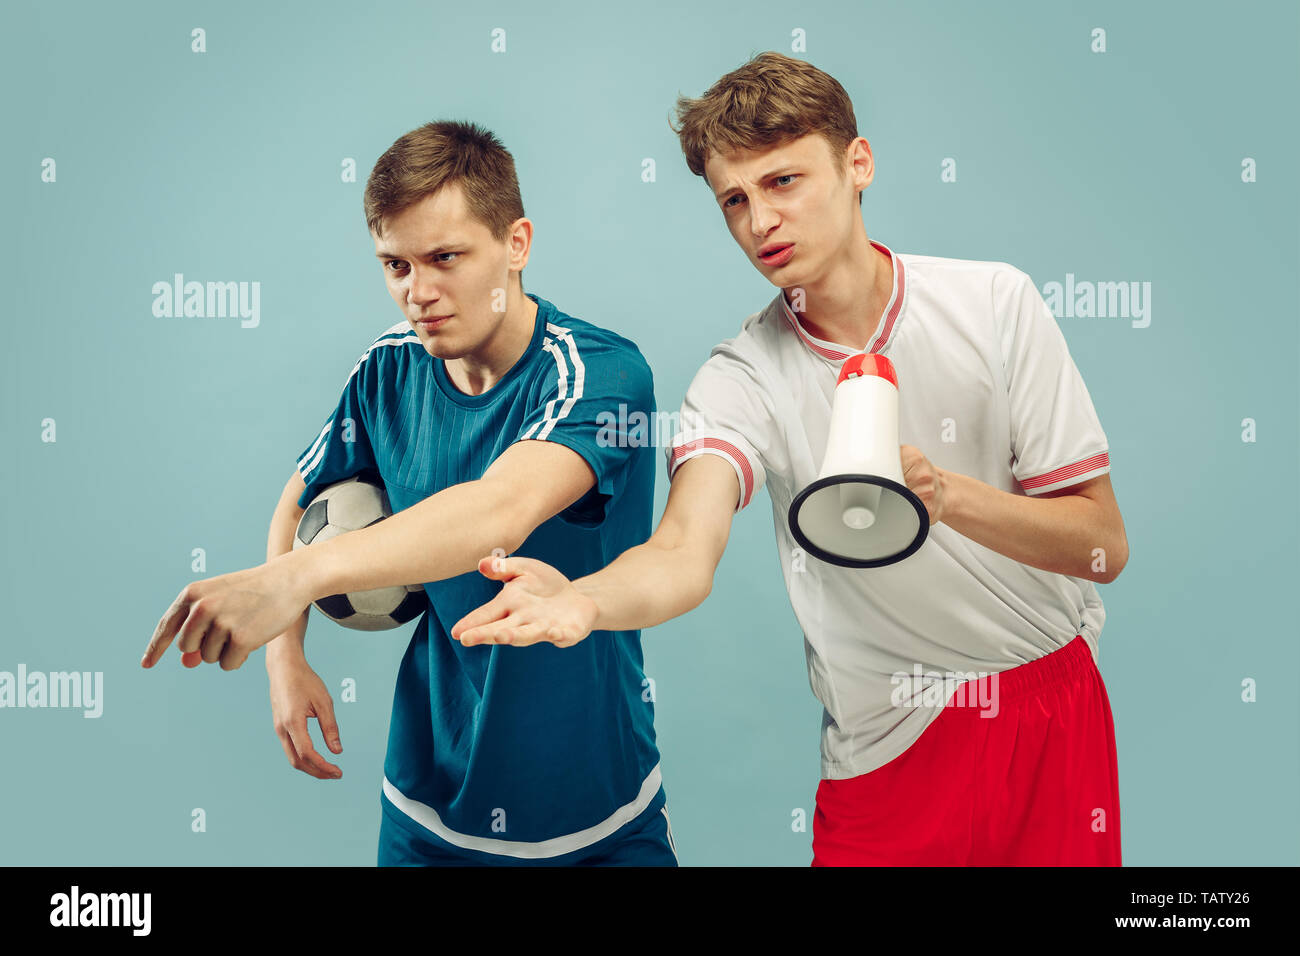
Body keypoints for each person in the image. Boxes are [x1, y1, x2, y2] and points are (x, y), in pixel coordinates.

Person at [450, 53, 1130, 866]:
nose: (758, 221)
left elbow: (1102, 545)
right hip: (885, 744)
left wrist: (947, 498)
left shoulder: (994, 303)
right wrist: (586, 600)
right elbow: (682, 551)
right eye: (733, 200)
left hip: (1046, 706)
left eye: (782, 182)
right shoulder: (739, 379)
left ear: (858, 165)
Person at [140, 120, 677, 867]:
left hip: (596, 809)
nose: (417, 293)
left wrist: (292, 581)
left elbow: (499, 509)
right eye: (395, 265)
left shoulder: (600, 375)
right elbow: (300, 501)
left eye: (445, 258)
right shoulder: (387, 370)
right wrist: (284, 661)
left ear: (516, 244)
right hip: (428, 809)